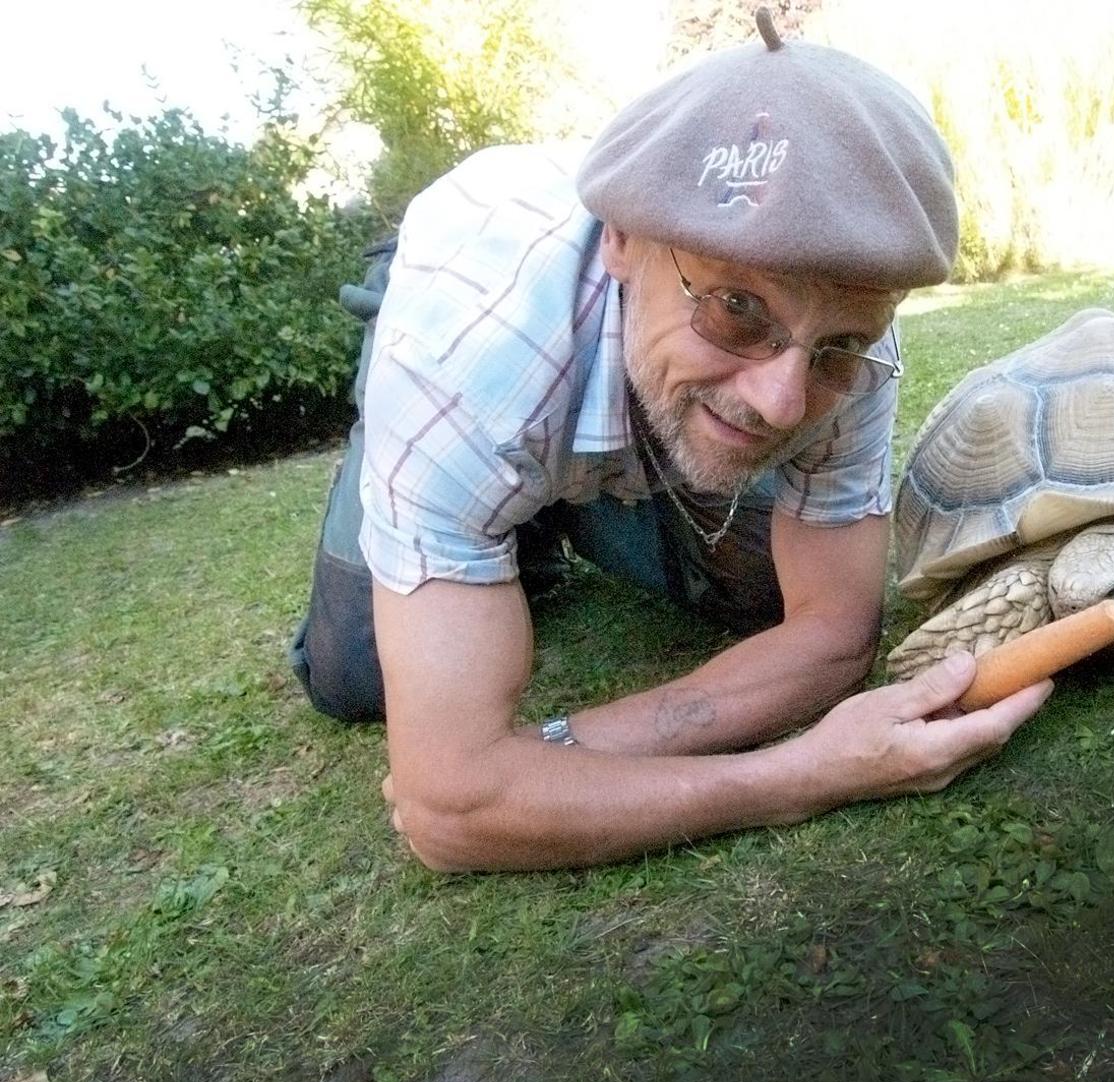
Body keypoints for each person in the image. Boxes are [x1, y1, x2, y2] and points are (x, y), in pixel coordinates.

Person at [289, 10, 1051, 872]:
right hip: (451, 309)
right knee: (355, 674)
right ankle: (483, 507)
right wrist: (802, 775)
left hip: (592, 374)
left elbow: (834, 633)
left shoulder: (850, 349)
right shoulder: (464, 359)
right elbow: (447, 817)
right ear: (622, 237)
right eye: (737, 308)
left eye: (838, 345)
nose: (782, 402)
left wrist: (543, 758)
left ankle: (541, 499)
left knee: (758, 588)